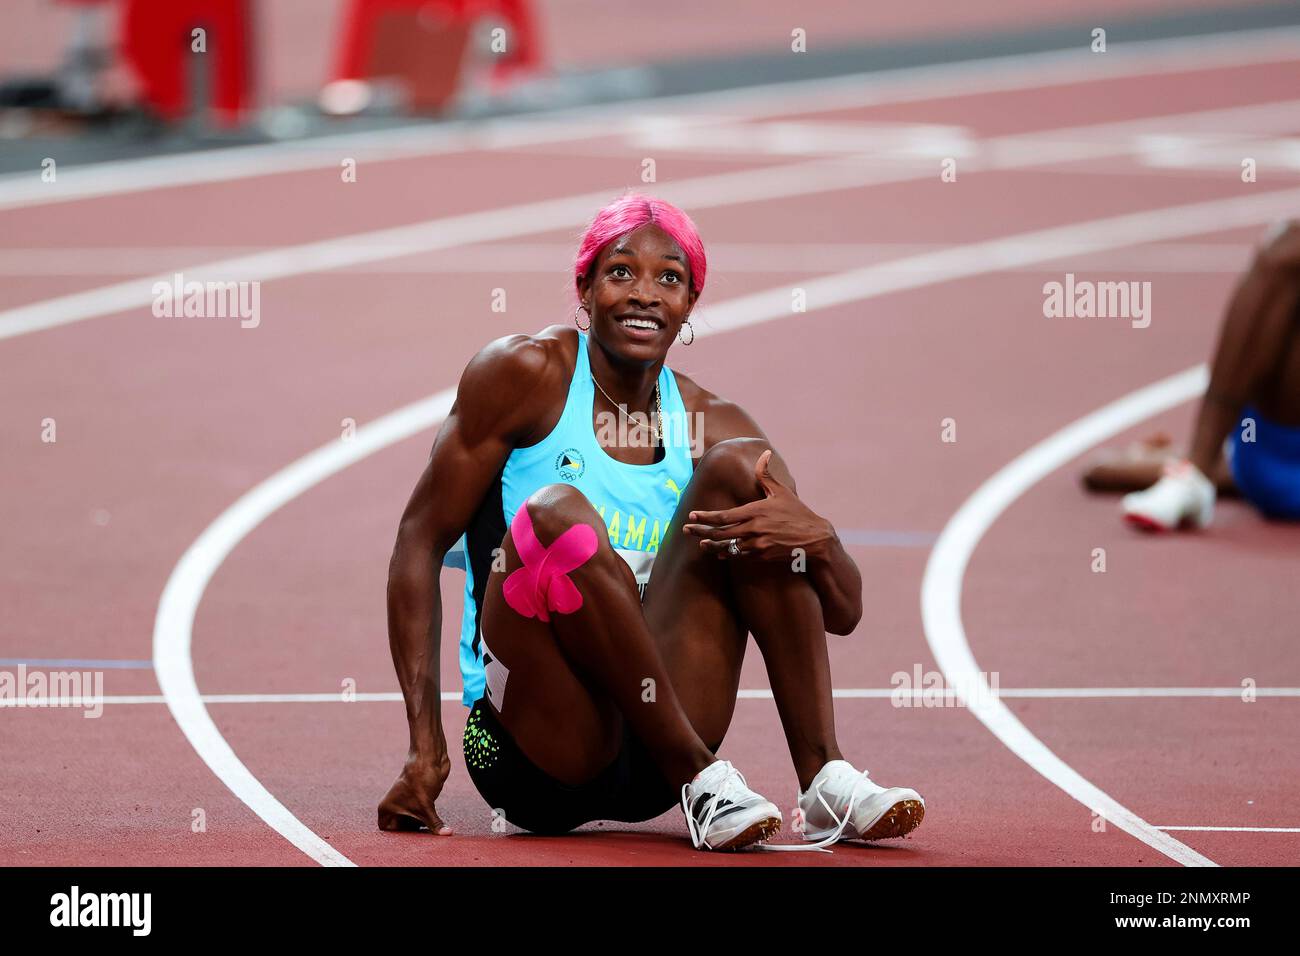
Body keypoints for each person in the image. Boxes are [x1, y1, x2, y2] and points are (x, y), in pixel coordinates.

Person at [377, 192, 925, 851]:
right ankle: (704, 779)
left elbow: (843, 612)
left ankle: (825, 779)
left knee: (740, 472)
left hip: (653, 759)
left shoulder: (712, 422)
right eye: (620, 272)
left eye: (669, 278)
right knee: (556, 512)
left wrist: (822, 540)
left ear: (690, 304)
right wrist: (424, 746)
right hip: (542, 751)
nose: (644, 294)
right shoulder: (524, 376)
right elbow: (418, 542)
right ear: (584, 287)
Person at [1085, 221, 1300, 530]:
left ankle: (1194, 471)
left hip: (1266, 468)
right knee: (1292, 243)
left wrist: (1132, 467)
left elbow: (1099, 471)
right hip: (1276, 456)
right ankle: (1194, 473)